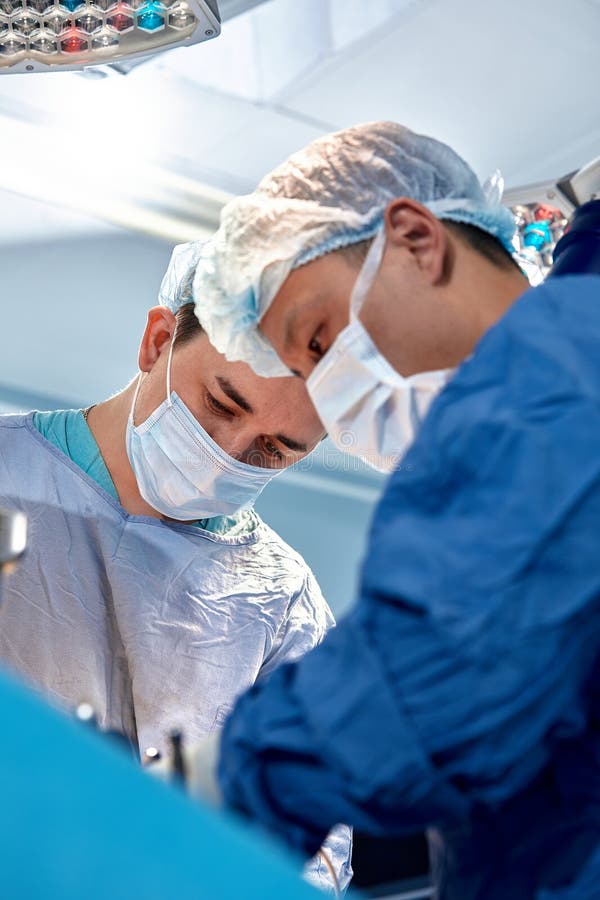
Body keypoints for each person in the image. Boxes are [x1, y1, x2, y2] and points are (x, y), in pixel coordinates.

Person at [174, 123, 600, 899]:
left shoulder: (544, 388)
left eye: (323, 337)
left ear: (413, 238)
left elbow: (428, 682)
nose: (333, 396)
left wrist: (209, 786)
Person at [0, 270, 352, 891]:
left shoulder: (283, 601)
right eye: (221, 403)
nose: (230, 450)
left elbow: (312, 840)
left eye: (275, 449)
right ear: (158, 341)